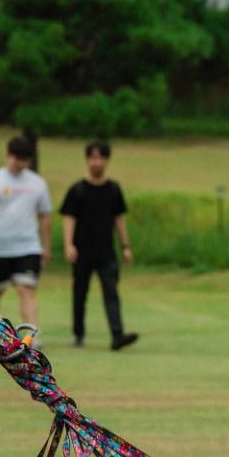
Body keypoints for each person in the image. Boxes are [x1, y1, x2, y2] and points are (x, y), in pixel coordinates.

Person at [60, 140, 138, 350]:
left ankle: (117, 334)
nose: (97, 163)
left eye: (101, 158)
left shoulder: (113, 189)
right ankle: (78, 333)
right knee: (80, 292)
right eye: (93, 158)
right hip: (82, 251)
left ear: (107, 160)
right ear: (87, 160)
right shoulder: (77, 190)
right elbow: (68, 218)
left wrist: (125, 246)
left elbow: (119, 219)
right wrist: (68, 245)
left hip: (106, 251)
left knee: (111, 291)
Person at [0, 137, 52, 339]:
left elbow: (45, 215)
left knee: (27, 289)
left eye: (25, 159)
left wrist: (46, 246)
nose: (21, 163)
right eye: (17, 158)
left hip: (28, 247)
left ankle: (32, 337)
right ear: (8, 156)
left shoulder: (37, 183)